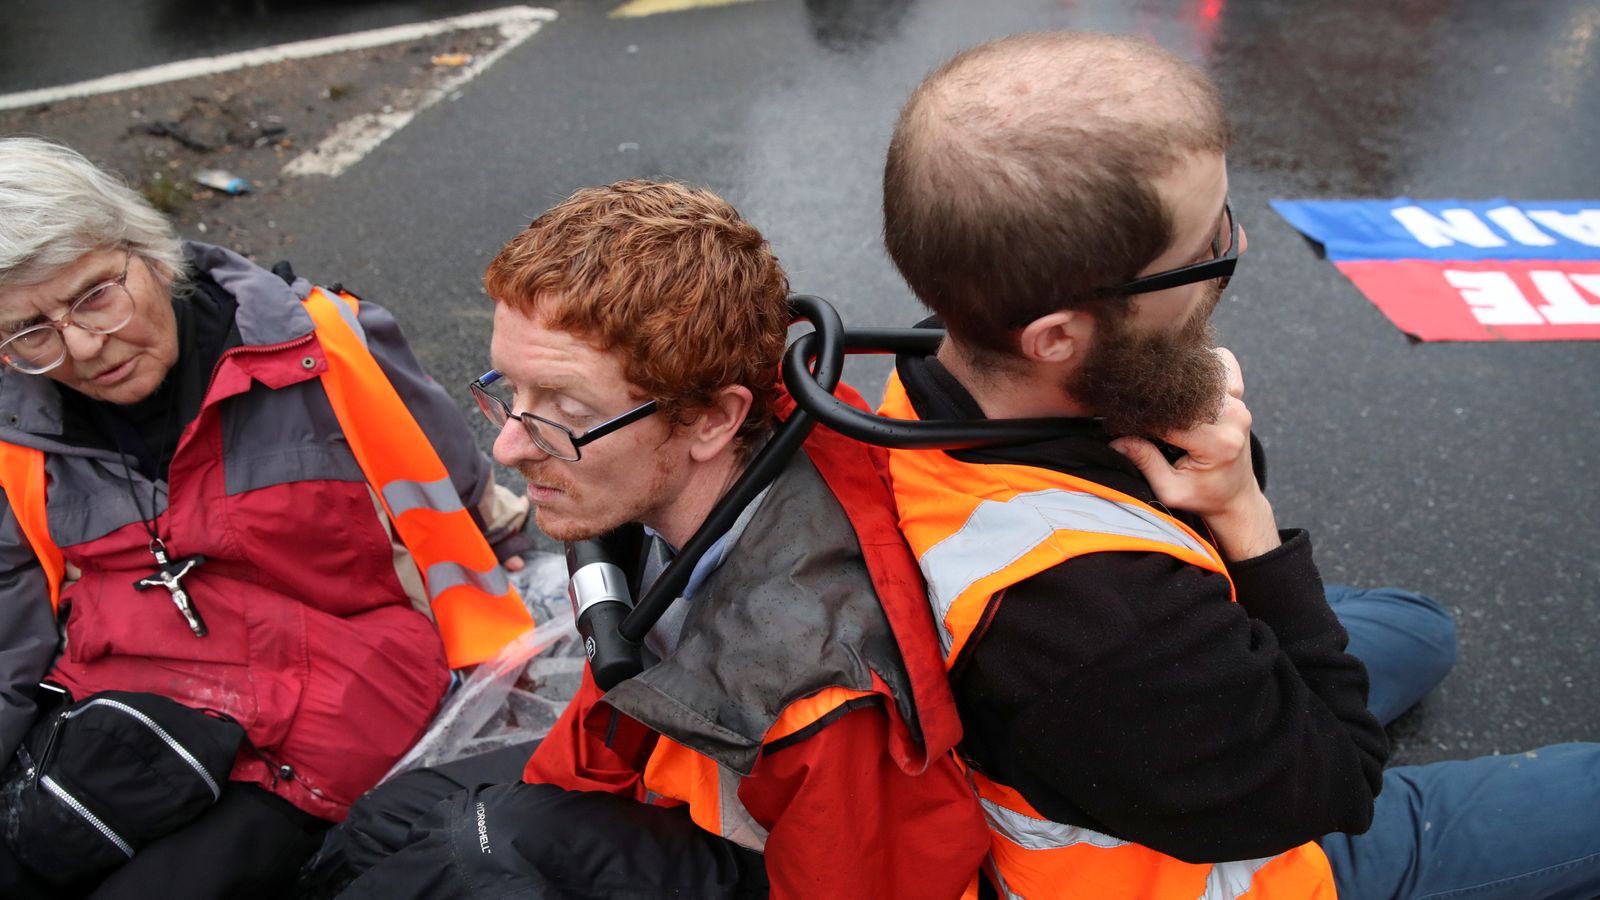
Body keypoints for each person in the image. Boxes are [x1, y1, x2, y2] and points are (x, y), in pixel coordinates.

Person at [876, 31, 1600, 900]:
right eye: (1205, 249)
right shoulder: (1105, 627)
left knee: (1420, 628)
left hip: (1108, 708)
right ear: (1059, 337)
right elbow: (1339, 779)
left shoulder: (942, 374)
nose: (1241, 247)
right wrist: (1246, 516)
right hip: (1198, 872)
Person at [329, 180, 988, 900]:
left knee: (478, 851)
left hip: (769, 864)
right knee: (387, 821)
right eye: (507, 391)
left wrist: (533, 832)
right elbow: (613, 707)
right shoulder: (696, 468)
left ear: (712, 421)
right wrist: (550, 800)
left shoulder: (820, 684)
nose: (510, 447)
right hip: (685, 777)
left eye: (564, 408)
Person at [0, 136, 534, 899]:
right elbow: (10, 633)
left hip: (330, 703)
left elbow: (454, 484)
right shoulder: (16, 430)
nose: (83, 346)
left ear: (148, 251)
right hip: (125, 713)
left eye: (94, 295)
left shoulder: (326, 346)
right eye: (30, 331)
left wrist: (504, 561)